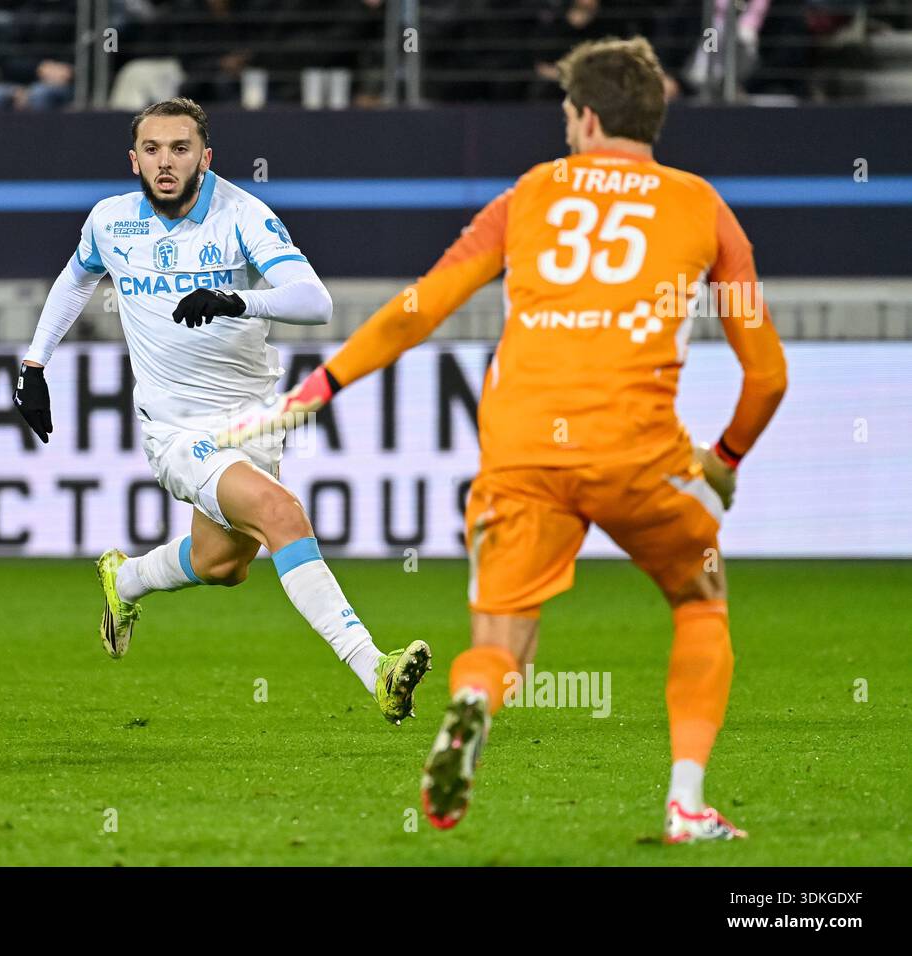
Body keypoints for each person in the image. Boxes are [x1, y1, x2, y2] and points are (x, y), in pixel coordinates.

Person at [221, 38, 788, 842]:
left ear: (587, 117)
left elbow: (422, 307)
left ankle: (472, 708)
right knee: (700, 600)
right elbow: (767, 377)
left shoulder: (530, 195)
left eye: (566, 117)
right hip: (642, 456)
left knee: (503, 644)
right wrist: (723, 462)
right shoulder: (702, 206)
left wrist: (319, 389)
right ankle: (686, 805)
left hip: (524, 455)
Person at [13, 97, 432, 724]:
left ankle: (124, 580)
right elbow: (77, 279)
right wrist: (35, 363)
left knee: (223, 565)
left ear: (204, 158)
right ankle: (375, 667)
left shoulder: (241, 214)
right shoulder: (110, 222)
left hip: (253, 421)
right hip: (175, 428)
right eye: (152, 149)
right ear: (134, 160)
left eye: (180, 149)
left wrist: (239, 300)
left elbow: (314, 301)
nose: (165, 162)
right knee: (280, 513)